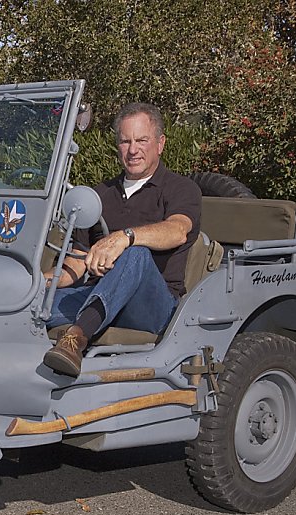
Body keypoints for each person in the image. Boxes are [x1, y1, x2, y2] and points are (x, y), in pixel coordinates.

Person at [42, 102, 202, 376]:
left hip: (153, 306)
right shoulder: (100, 194)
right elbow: (78, 261)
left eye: (142, 140)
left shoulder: (181, 188)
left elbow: (178, 230)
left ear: (160, 143)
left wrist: (124, 238)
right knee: (28, 304)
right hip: (95, 295)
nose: (133, 149)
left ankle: (75, 338)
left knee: (135, 253)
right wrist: (37, 284)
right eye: (125, 141)